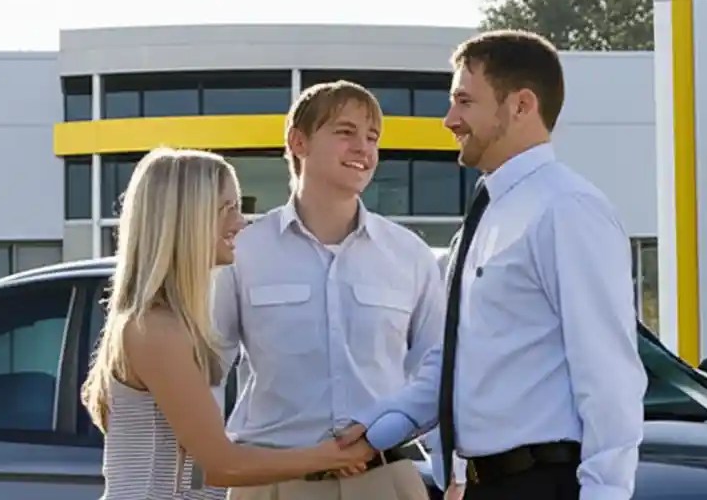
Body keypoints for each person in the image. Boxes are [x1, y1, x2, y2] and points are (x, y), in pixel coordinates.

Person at [342, 30, 647, 500]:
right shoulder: (485, 217)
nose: (449, 120)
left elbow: (609, 376)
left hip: (543, 485)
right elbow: (456, 361)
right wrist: (386, 424)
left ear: (522, 105)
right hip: (486, 485)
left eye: (464, 101)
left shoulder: (567, 209)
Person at [81, 148, 374, 500]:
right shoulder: (156, 329)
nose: (241, 222)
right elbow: (221, 464)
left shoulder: (172, 322)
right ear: (188, 217)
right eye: (227, 208)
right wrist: (334, 456)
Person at [212, 80, 445, 500]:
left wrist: (447, 469)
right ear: (298, 142)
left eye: (372, 137)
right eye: (345, 132)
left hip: (385, 480)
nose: (363, 148)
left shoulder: (410, 254)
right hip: (273, 485)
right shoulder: (243, 251)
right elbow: (208, 371)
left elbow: (438, 368)